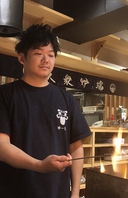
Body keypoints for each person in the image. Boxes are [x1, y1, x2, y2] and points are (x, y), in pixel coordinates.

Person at [0, 24, 92, 198]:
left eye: (50, 55)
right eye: (38, 53)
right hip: (15, 191)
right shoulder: (5, 95)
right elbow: (2, 146)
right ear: (21, 58)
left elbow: (76, 148)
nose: (45, 60)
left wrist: (75, 193)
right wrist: (40, 165)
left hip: (58, 193)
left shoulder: (67, 99)